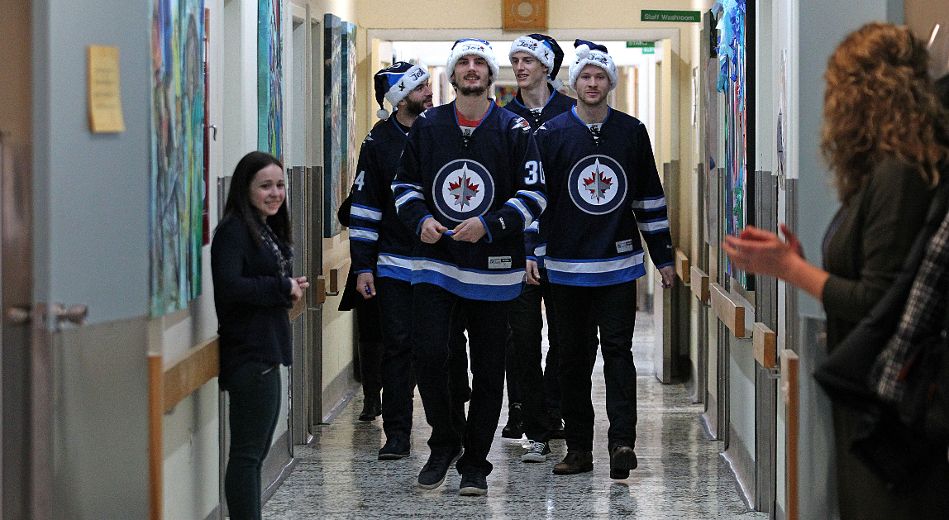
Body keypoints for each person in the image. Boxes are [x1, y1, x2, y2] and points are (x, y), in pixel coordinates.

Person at [722, 22, 949, 519]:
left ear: (864, 94)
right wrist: (796, 263)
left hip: (892, 404)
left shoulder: (901, 176)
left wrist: (791, 269)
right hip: (871, 392)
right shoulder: (882, 173)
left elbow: (878, 301)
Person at [392, 37, 545, 496]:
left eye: (480, 62)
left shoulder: (515, 130)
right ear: (453, 74)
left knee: (489, 367)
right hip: (436, 266)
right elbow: (404, 187)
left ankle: (475, 462)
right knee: (429, 355)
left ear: (489, 73)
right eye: (465, 63)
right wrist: (418, 220)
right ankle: (445, 441)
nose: (473, 69)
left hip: (493, 270)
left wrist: (491, 224)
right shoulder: (427, 127)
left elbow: (535, 196)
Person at [535, 40, 675, 479]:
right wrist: (531, 255)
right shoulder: (551, 134)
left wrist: (663, 256)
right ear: (573, 83)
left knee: (618, 353)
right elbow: (535, 201)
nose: (592, 83)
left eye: (599, 76)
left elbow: (649, 198)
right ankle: (578, 448)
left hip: (618, 266)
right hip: (565, 268)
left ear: (609, 82)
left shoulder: (631, 132)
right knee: (572, 359)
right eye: (585, 77)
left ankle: (622, 443)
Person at [211, 151, 309, 520]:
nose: (275, 193)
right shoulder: (234, 230)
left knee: (255, 454)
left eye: (280, 185)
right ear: (244, 189)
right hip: (248, 355)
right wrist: (281, 287)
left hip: (266, 350)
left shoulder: (263, 227)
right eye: (265, 186)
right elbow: (231, 287)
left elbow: (260, 282)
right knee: (248, 456)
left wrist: (286, 286)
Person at [347, 61, 433, 458]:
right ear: (400, 98)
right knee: (397, 347)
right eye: (420, 89)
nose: (429, 93)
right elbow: (364, 209)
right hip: (395, 262)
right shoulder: (378, 142)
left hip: (442, 264)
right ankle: (396, 434)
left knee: (440, 347)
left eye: (429, 86)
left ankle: (447, 430)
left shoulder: (442, 132)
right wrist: (363, 265)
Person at [501, 33, 575, 458]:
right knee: (522, 339)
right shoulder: (504, 117)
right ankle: (533, 423)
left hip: (564, 247)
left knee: (565, 339)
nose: (521, 66)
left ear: (547, 66)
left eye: (529, 59)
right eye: (515, 59)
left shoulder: (570, 114)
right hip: (516, 251)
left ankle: (553, 410)